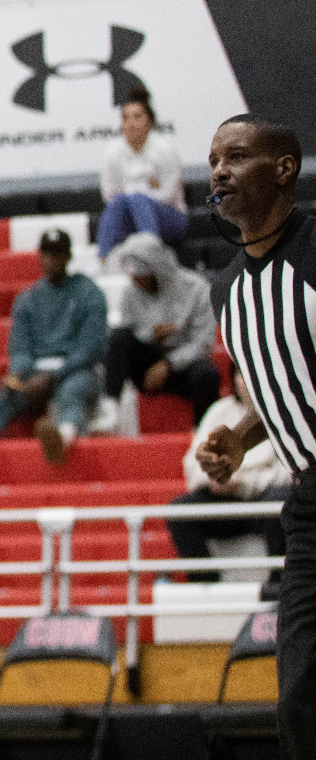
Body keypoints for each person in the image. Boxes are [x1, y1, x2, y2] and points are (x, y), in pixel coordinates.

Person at [194, 114, 316, 752]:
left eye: (237, 157)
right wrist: (242, 437)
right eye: (214, 159)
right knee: (300, 690)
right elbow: (288, 383)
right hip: (309, 507)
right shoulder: (227, 291)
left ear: (284, 169)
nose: (219, 170)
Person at [0, 229, 106, 469]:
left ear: (68, 256)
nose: (51, 260)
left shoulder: (89, 293)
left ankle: (61, 439)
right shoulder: (28, 298)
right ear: (39, 256)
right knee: (7, 394)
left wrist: (53, 375)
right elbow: (20, 347)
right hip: (35, 370)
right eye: (46, 254)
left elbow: (90, 347)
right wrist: (20, 375)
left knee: (72, 391)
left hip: (76, 369)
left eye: (57, 254)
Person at [167, 372, 290, 581]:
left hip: (263, 500)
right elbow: (194, 463)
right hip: (225, 499)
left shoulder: (285, 412)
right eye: (241, 374)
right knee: (180, 510)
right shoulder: (219, 412)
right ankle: (205, 583)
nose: (247, 381)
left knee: (282, 503)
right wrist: (213, 479)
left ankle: (279, 584)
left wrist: (242, 484)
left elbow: (289, 470)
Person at [100, 232, 221, 429]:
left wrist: (169, 363)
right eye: (133, 277)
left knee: (208, 375)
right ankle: (111, 406)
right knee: (118, 337)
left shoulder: (197, 288)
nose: (137, 282)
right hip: (146, 362)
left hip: (183, 365)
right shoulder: (131, 292)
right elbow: (127, 335)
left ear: (157, 269)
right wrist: (151, 337)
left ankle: (202, 429)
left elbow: (204, 343)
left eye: (142, 277)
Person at [96, 91, 189, 258]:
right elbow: (108, 194)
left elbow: (167, 195)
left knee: (137, 200)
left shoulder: (164, 149)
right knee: (117, 204)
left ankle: (150, 256)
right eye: (125, 118)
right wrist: (134, 197)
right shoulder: (112, 152)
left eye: (137, 117)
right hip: (130, 218)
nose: (131, 123)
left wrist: (135, 197)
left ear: (149, 122)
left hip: (169, 217)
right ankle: (103, 259)